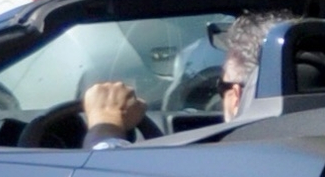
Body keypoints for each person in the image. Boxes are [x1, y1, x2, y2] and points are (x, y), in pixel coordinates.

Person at [79, 9, 293, 147]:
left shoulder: (230, 166)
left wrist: (105, 122)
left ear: (236, 96)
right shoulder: (322, 151)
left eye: (221, 87)